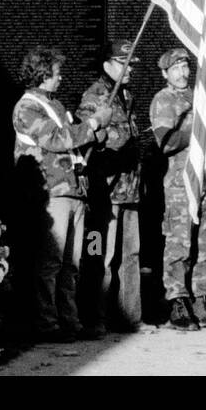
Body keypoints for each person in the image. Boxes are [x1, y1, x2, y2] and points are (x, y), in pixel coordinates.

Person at [12, 46, 111, 341]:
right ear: (42, 75)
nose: (61, 78)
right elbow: (55, 139)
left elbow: (74, 140)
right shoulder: (26, 108)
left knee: (72, 263)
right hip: (50, 190)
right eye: (57, 73)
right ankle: (47, 323)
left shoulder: (55, 105)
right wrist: (92, 125)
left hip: (73, 189)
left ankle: (71, 320)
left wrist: (96, 133)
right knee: (50, 262)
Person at [149, 47, 206, 331]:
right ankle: (178, 301)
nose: (183, 72)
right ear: (165, 73)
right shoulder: (163, 100)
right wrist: (197, 129)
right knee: (178, 243)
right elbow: (165, 142)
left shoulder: (200, 98)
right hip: (180, 182)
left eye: (186, 67)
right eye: (176, 68)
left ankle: (201, 300)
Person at [77, 40, 142, 334]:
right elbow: (88, 133)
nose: (128, 69)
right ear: (107, 65)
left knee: (130, 255)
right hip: (106, 189)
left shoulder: (127, 95)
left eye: (131, 64)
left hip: (130, 187)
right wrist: (119, 137)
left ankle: (128, 317)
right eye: (122, 63)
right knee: (100, 256)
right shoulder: (96, 95)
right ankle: (95, 317)